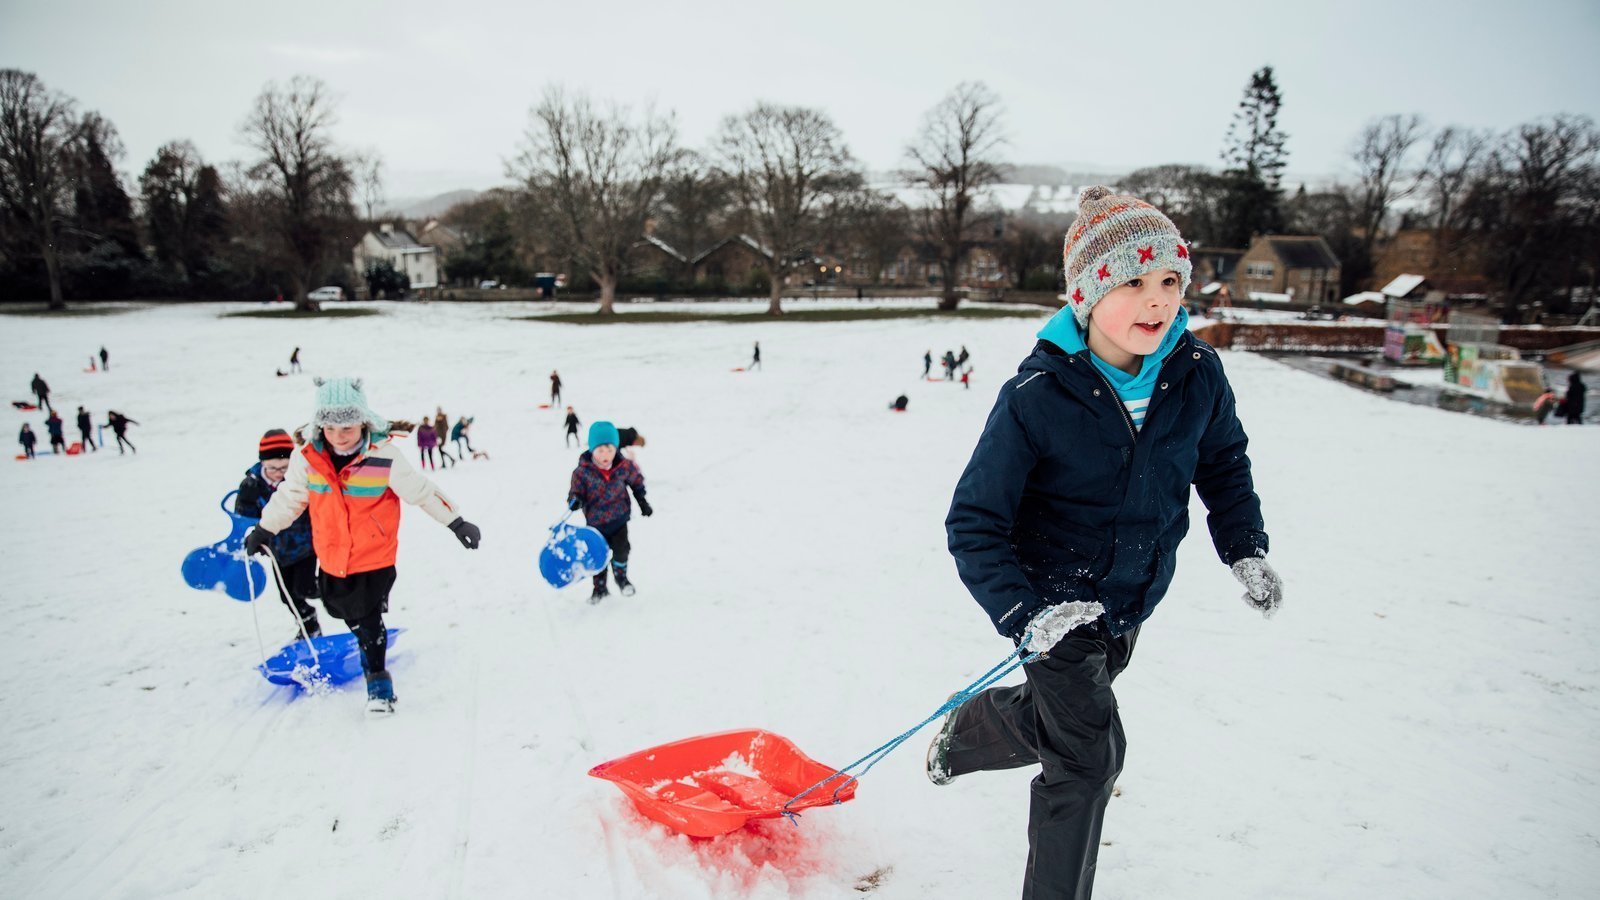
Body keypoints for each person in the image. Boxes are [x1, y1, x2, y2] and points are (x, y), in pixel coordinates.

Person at [930, 186, 1279, 899]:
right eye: (1134, 282)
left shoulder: (1196, 375)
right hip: (1054, 604)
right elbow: (973, 523)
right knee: (1088, 759)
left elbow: (1223, 463)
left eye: (1170, 281)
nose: (1158, 301)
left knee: (1057, 720)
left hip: (1132, 592)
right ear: (1089, 294)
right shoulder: (1035, 397)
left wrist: (1244, 545)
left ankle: (966, 732)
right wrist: (1028, 616)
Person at [245, 377, 481, 715]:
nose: (340, 436)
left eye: (348, 427)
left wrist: (456, 522)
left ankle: (378, 684)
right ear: (319, 425)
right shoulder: (307, 459)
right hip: (330, 555)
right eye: (330, 427)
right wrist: (265, 529)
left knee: (368, 620)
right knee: (337, 608)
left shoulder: (383, 456)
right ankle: (364, 637)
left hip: (375, 556)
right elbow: (290, 498)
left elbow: (420, 490)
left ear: (363, 421)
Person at [235, 429, 321, 638]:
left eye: (284, 467)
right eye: (272, 467)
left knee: (304, 588)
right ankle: (309, 625)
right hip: (277, 550)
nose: (278, 472)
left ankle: (332, 591)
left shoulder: (299, 480)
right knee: (287, 596)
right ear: (262, 463)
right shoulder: (252, 485)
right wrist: (253, 534)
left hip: (305, 546)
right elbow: (245, 518)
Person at [568, 420, 651, 604]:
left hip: (619, 519)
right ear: (592, 450)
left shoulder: (624, 467)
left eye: (610, 450)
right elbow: (576, 491)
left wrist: (642, 502)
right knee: (598, 557)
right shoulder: (582, 472)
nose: (606, 455)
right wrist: (575, 500)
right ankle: (599, 588)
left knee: (622, 551)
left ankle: (621, 578)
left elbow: (636, 483)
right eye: (600, 450)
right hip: (595, 524)